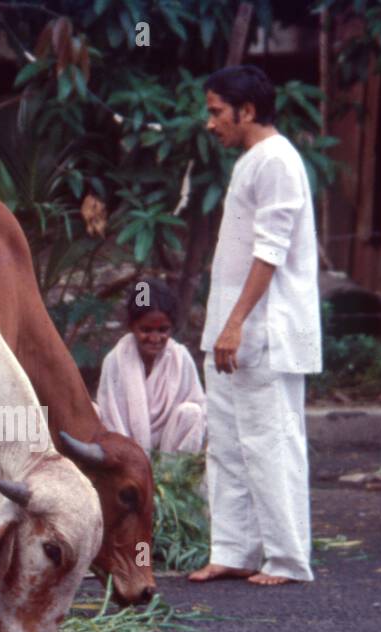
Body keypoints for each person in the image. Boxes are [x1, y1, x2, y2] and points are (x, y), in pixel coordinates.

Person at [188, 65, 322, 587]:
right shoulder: (252, 161)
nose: (210, 122)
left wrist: (236, 322)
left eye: (217, 111)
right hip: (233, 327)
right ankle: (233, 550)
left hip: (265, 329)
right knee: (225, 441)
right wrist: (224, 324)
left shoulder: (278, 161)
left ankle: (287, 558)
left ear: (246, 111)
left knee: (271, 440)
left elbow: (271, 250)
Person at [96, 278, 206, 453]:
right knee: (93, 411)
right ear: (132, 326)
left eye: (163, 330)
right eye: (146, 330)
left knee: (192, 411)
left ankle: (172, 473)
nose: (155, 339)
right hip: (127, 452)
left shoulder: (180, 357)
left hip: (169, 449)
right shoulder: (116, 359)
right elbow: (112, 416)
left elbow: (198, 413)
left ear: (172, 327)